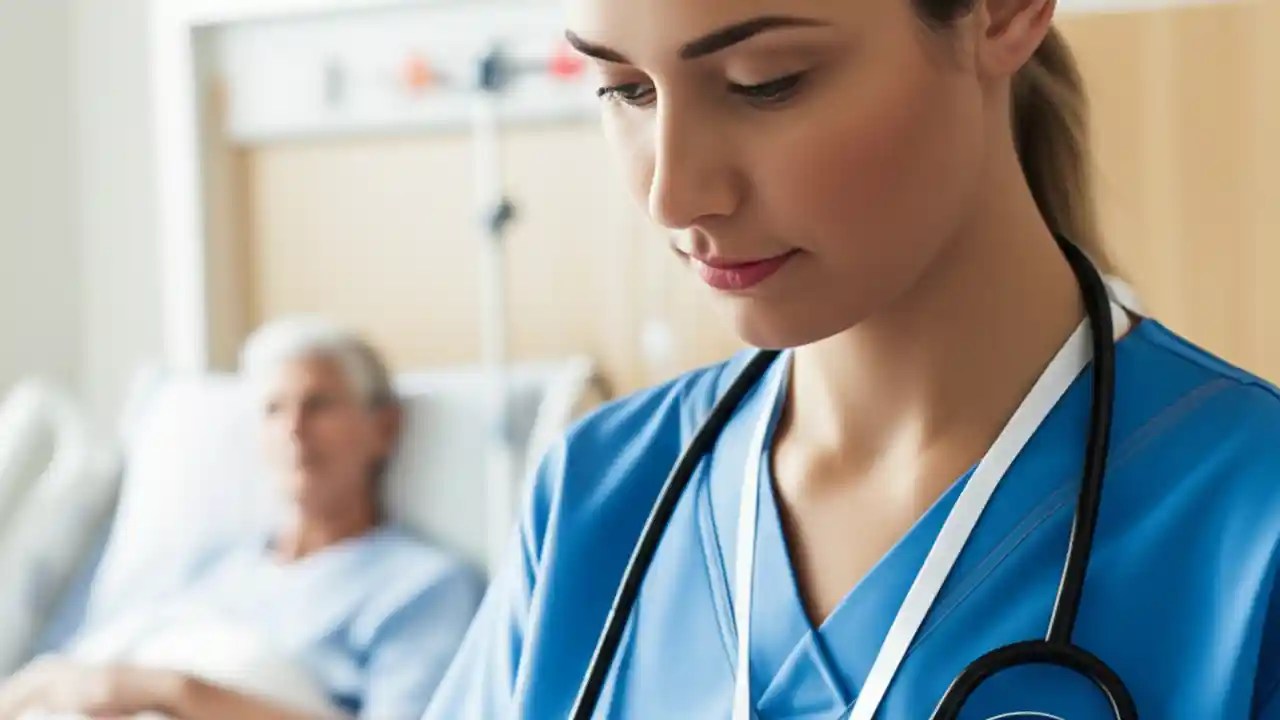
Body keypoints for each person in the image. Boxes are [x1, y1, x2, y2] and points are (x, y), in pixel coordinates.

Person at [424, 0, 1280, 717]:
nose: (672, 195)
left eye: (766, 83)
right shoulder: (597, 499)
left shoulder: (1249, 520)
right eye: (626, 90)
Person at [0, 319, 484, 720]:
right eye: (274, 409)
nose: (294, 429)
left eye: (319, 405)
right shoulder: (208, 566)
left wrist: (176, 691)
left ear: (385, 427)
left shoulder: (422, 586)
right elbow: (81, 677)